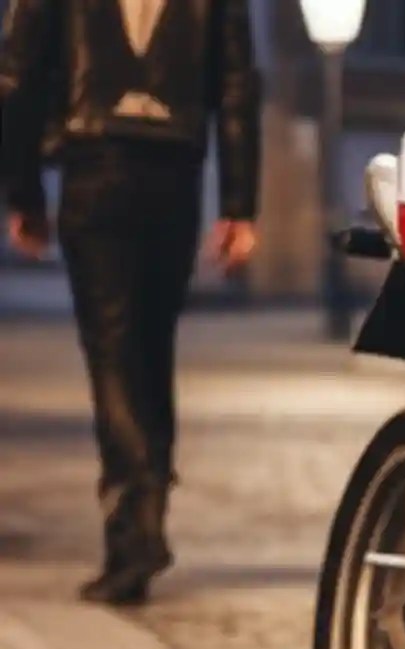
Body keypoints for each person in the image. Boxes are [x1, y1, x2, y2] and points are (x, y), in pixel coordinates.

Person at [1, 0, 262, 604]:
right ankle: (147, 515)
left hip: (95, 165)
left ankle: (134, 530)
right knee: (151, 347)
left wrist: (23, 193)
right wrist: (239, 203)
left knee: (114, 351)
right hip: (174, 169)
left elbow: (16, 76)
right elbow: (238, 84)